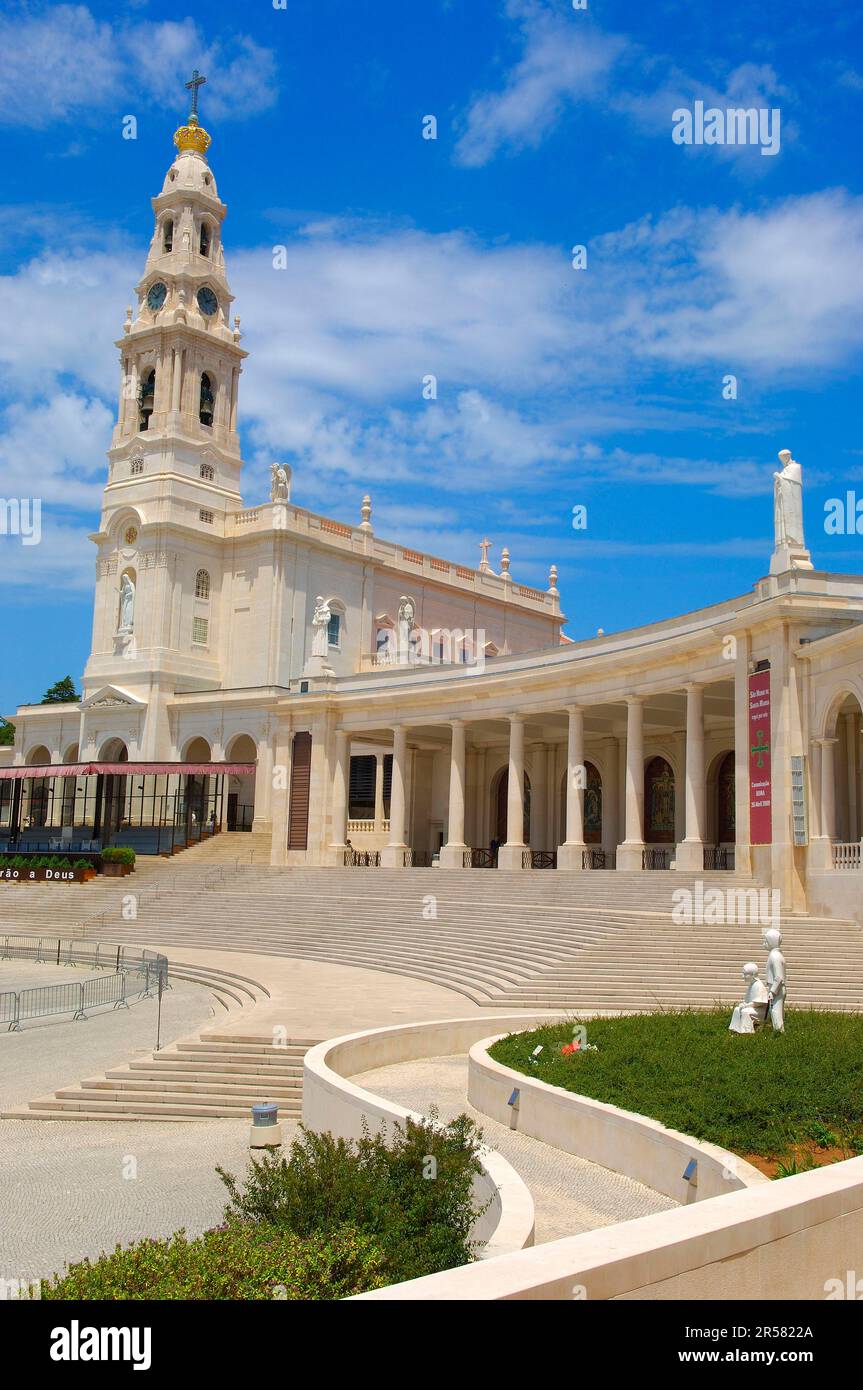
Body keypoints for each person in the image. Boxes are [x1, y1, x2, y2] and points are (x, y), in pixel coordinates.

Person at [729, 963, 769, 1034]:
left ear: (752, 974)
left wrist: (746, 1006)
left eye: (745, 974)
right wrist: (744, 1004)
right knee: (737, 1009)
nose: (743, 976)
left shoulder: (759, 985)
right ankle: (734, 1030)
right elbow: (748, 1001)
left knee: (745, 1012)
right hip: (753, 1008)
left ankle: (747, 1032)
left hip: (760, 1011)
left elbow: (759, 1003)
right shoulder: (751, 985)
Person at [763, 927, 787, 1032]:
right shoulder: (777, 955)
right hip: (777, 989)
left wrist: (772, 991)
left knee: (776, 1012)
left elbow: (779, 977)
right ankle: (775, 1031)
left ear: (771, 942)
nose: (764, 943)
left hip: (777, 990)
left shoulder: (775, 956)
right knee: (774, 1012)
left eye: (766, 941)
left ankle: (779, 1033)